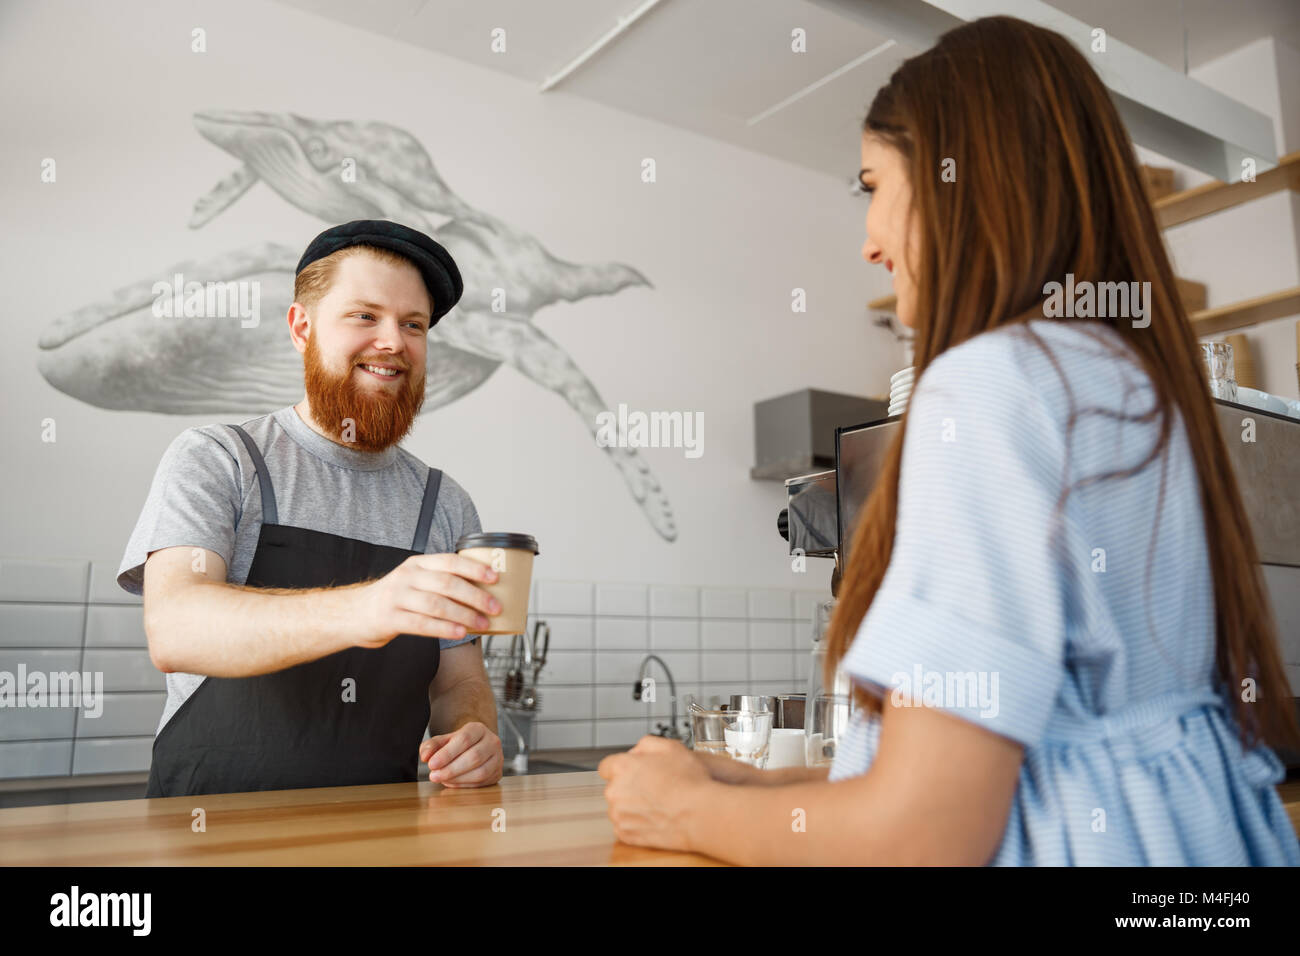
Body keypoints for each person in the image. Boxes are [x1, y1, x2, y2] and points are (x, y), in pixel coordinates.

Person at [598, 16, 1300, 865]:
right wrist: (756, 788)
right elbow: (1039, 763)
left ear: (956, 182)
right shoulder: (1136, 387)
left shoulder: (990, 387)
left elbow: (925, 833)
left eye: (872, 187)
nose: (869, 242)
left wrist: (680, 814)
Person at [118, 219, 507, 796]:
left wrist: (473, 733)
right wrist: (367, 609)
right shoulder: (220, 459)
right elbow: (177, 630)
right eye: (364, 315)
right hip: (207, 834)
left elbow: (458, 678)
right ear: (302, 327)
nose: (394, 342)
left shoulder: (444, 504)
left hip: (386, 838)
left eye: (413, 324)